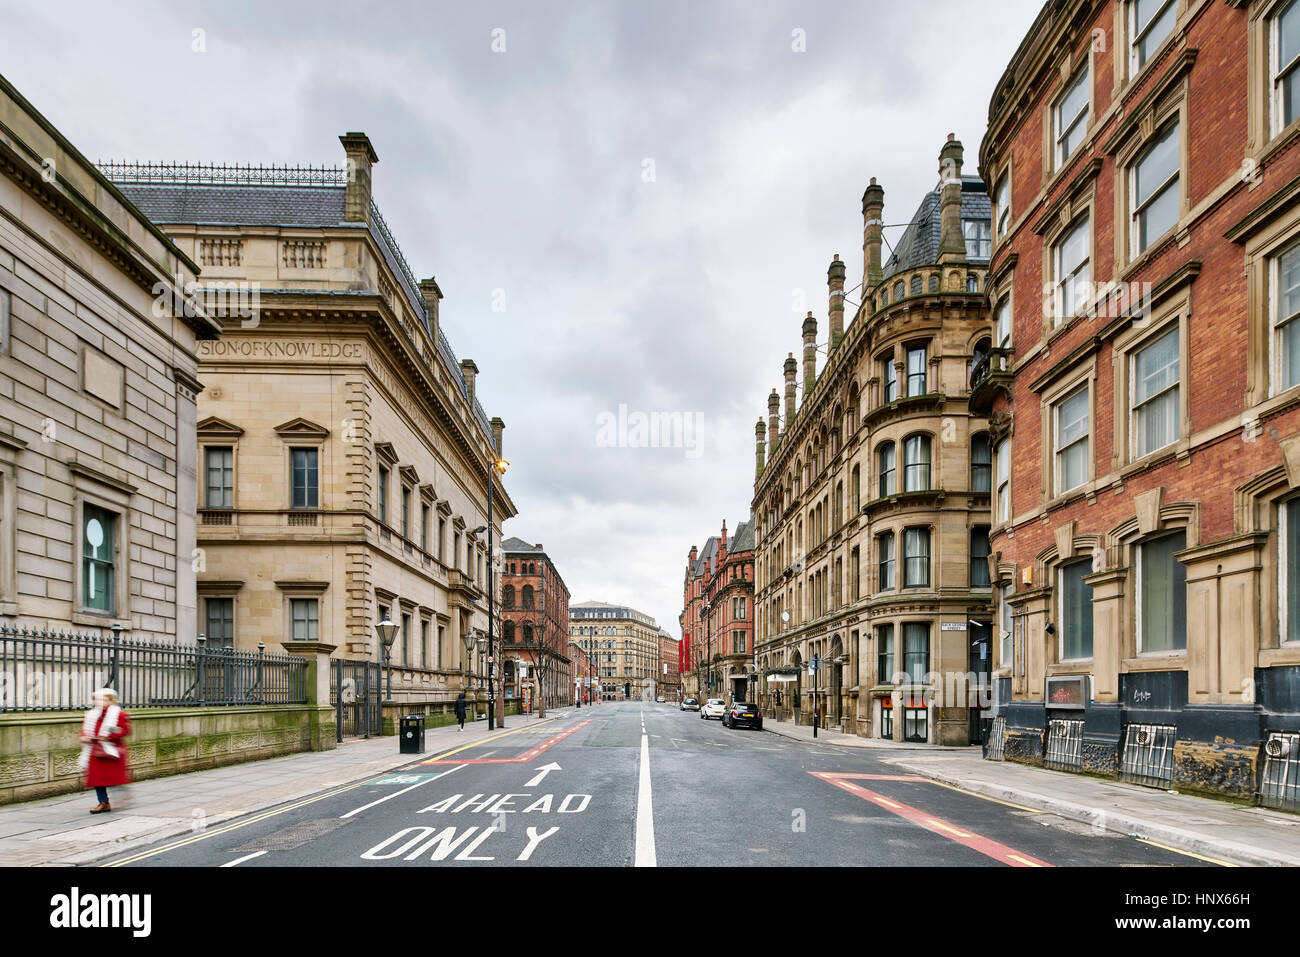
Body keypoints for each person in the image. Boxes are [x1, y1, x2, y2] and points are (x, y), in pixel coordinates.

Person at [79, 688, 130, 814]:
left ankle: (122, 794)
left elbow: (123, 730)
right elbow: (84, 729)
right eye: (98, 699)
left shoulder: (119, 714)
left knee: (113, 778)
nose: (100, 702)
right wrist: (84, 736)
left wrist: (109, 734)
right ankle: (103, 802)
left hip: (111, 750)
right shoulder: (91, 715)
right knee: (97, 779)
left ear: (111, 701)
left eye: (104, 699)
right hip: (95, 750)